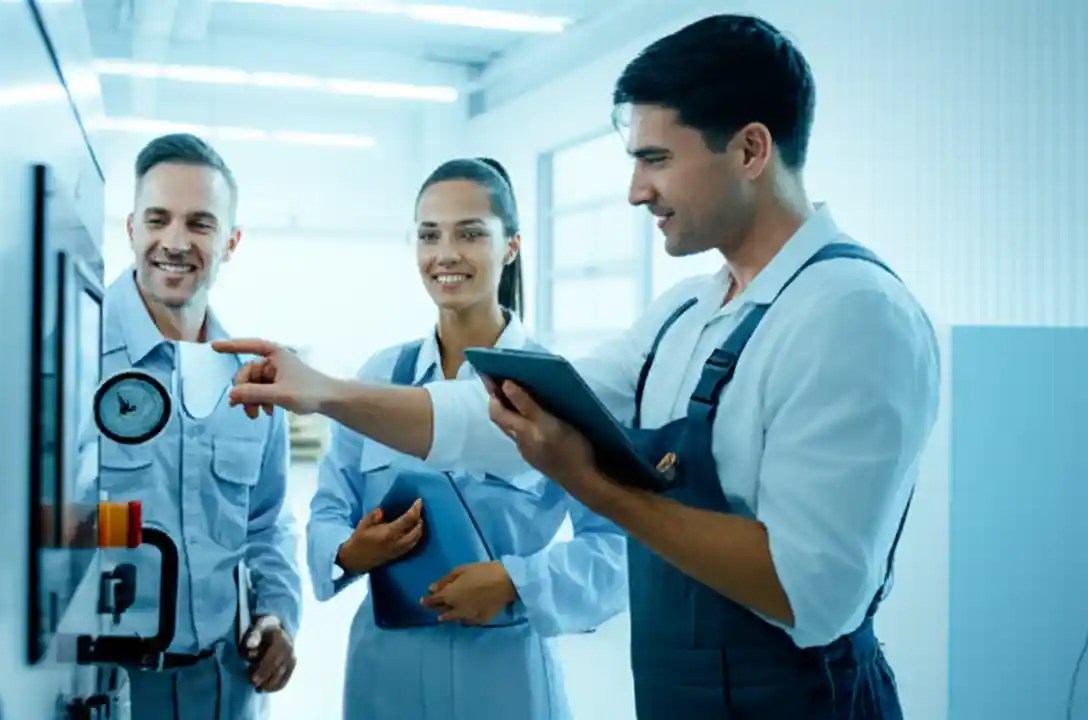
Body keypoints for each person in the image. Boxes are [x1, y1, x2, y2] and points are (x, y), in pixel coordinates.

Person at [215, 14, 940, 720]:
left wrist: (586, 486)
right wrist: (325, 391)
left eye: (655, 159)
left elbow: (808, 590)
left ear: (751, 150)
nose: (635, 190)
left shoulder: (851, 313)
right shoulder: (685, 315)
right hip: (679, 693)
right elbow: (501, 409)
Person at [306, 157, 628, 720]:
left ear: (511, 247)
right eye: (429, 235)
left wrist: (515, 580)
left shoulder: (556, 387)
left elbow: (618, 548)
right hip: (387, 671)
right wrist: (347, 552)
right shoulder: (379, 378)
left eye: (471, 233)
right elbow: (330, 505)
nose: (445, 254)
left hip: (504, 674)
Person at [100, 133, 302, 720]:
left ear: (231, 241)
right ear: (131, 228)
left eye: (201, 223)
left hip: (225, 688)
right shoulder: (69, 355)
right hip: (105, 690)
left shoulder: (253, 380)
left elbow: (267, 523)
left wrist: (277, 614)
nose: (176, 242)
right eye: (158, 219)